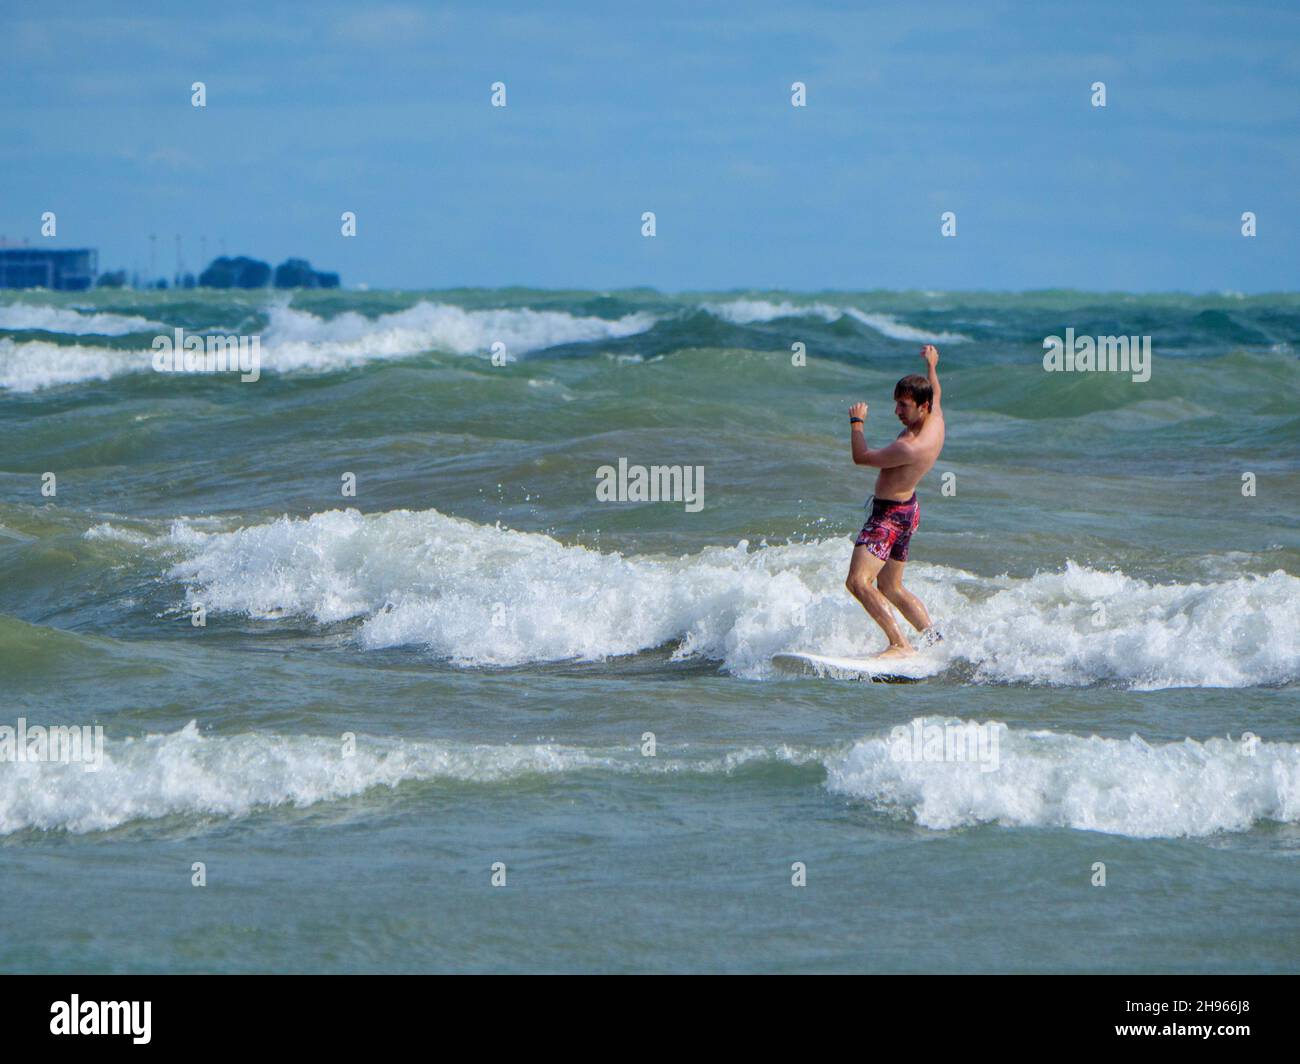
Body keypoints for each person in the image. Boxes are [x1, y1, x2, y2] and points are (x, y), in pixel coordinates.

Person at [844, 344, 945, 658]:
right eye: (896, 404)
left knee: (858, 582)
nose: (897, 412)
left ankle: (899, 644)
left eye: (903, 405)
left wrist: (857, 422)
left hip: (888, 518)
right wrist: (932, 365)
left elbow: (861, 457)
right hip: (908, 511)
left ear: (921, 406)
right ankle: (937, 640)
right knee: (891, 587)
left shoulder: (910, 447)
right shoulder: (936, 421)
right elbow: (937, 393)